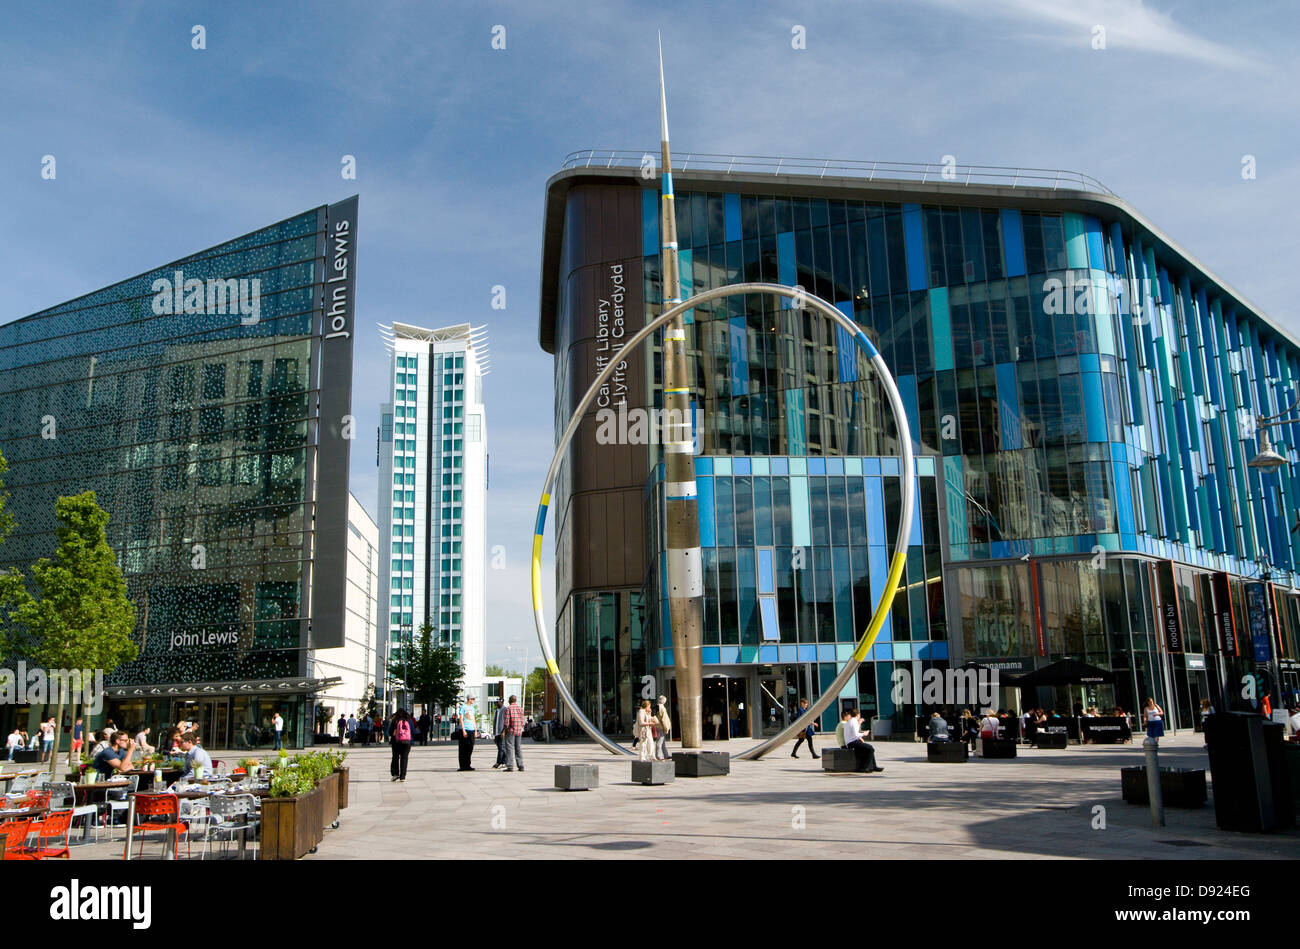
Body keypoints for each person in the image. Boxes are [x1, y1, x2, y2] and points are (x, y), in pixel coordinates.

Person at [842, 708, 883, 772]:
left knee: (869, 748)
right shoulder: (854, 721)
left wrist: (859, 723)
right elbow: (856, 734)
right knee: (870, 749)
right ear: (858, 715)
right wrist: (864, 733)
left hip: (850, 742)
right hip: (852, 743)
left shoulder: (850, 721)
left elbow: (854, 732)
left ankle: (873, 766)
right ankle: (864, 767)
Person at [502, 695, 526, 772]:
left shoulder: (508, 709)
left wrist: (504, 730)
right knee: (518, 747)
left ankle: (510, 766)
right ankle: (520, 765)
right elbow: (522, 720)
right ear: (515, 700)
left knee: (509, 748)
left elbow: (506, 722)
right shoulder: (520, 708)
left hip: (511, 731)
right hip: (519, 730)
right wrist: (520, 727)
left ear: (509, 700)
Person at [389, 709, 413, 782]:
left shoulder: (395, 721)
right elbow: (413, 731)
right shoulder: (409, 720)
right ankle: (403, 776)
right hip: (407, 742)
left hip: (396, 742)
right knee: (404, 758)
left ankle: (395, 774)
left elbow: (390, 732)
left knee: (395, 757)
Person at [456, 696, 478, 771]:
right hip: (465, 729)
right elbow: (461, 719)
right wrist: (463, 730)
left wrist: (475, 730)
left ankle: (468, 764)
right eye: (473, 699)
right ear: (469, 699)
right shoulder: (463, 707)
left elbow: (474, 719)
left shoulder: (473, 708)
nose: (474, 700)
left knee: (470, 748)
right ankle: (463, 766)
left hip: (471, 729)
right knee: (463, 748)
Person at [654, 695, 672, 762]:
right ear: (664, 701)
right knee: (659, 742)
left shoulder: (657, 706)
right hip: (661, 727)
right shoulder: (662, 708)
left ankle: (666, 755)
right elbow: (664, 719)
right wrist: (666, 727)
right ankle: (658, 756)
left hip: (658, 726)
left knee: (662, 742)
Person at [492, 701, 508, 769]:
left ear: (502, 702)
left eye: (498, 702)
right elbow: (495, 722)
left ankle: (498, 762)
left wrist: (504, 731)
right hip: (497, 732)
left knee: (502, 748)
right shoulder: (496, 710)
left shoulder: (505, 710)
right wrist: (494, 734)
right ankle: (504, 762)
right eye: (496, 702)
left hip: (502, 732)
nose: (497, 704)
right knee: (501, 748)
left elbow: (506, 722)